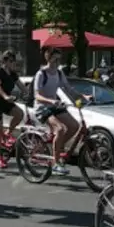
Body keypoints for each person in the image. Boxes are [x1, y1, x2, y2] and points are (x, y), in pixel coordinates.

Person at [33, 48, 89, 176]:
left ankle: (57, 148)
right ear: (48, 58)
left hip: (54, 106)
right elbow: (37, 96)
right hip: (42, 107)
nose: (58, 61)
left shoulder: (59, 73)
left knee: (75, 126)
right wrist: (51, 101)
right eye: (55, 59)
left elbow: (69, 88)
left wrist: (83, 96)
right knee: (60, 129)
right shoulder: (41, 74)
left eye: (59, 59)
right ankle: (55, 163)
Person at [0, 49, 26, 169]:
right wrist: (6, 96)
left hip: (5, 101)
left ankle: (7, 134)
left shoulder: (12, 74)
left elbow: (22, 86)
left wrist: (30, 94)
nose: (14, 64)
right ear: (5, 61)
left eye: (15, 61)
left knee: (19, 113)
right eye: (12, 61)